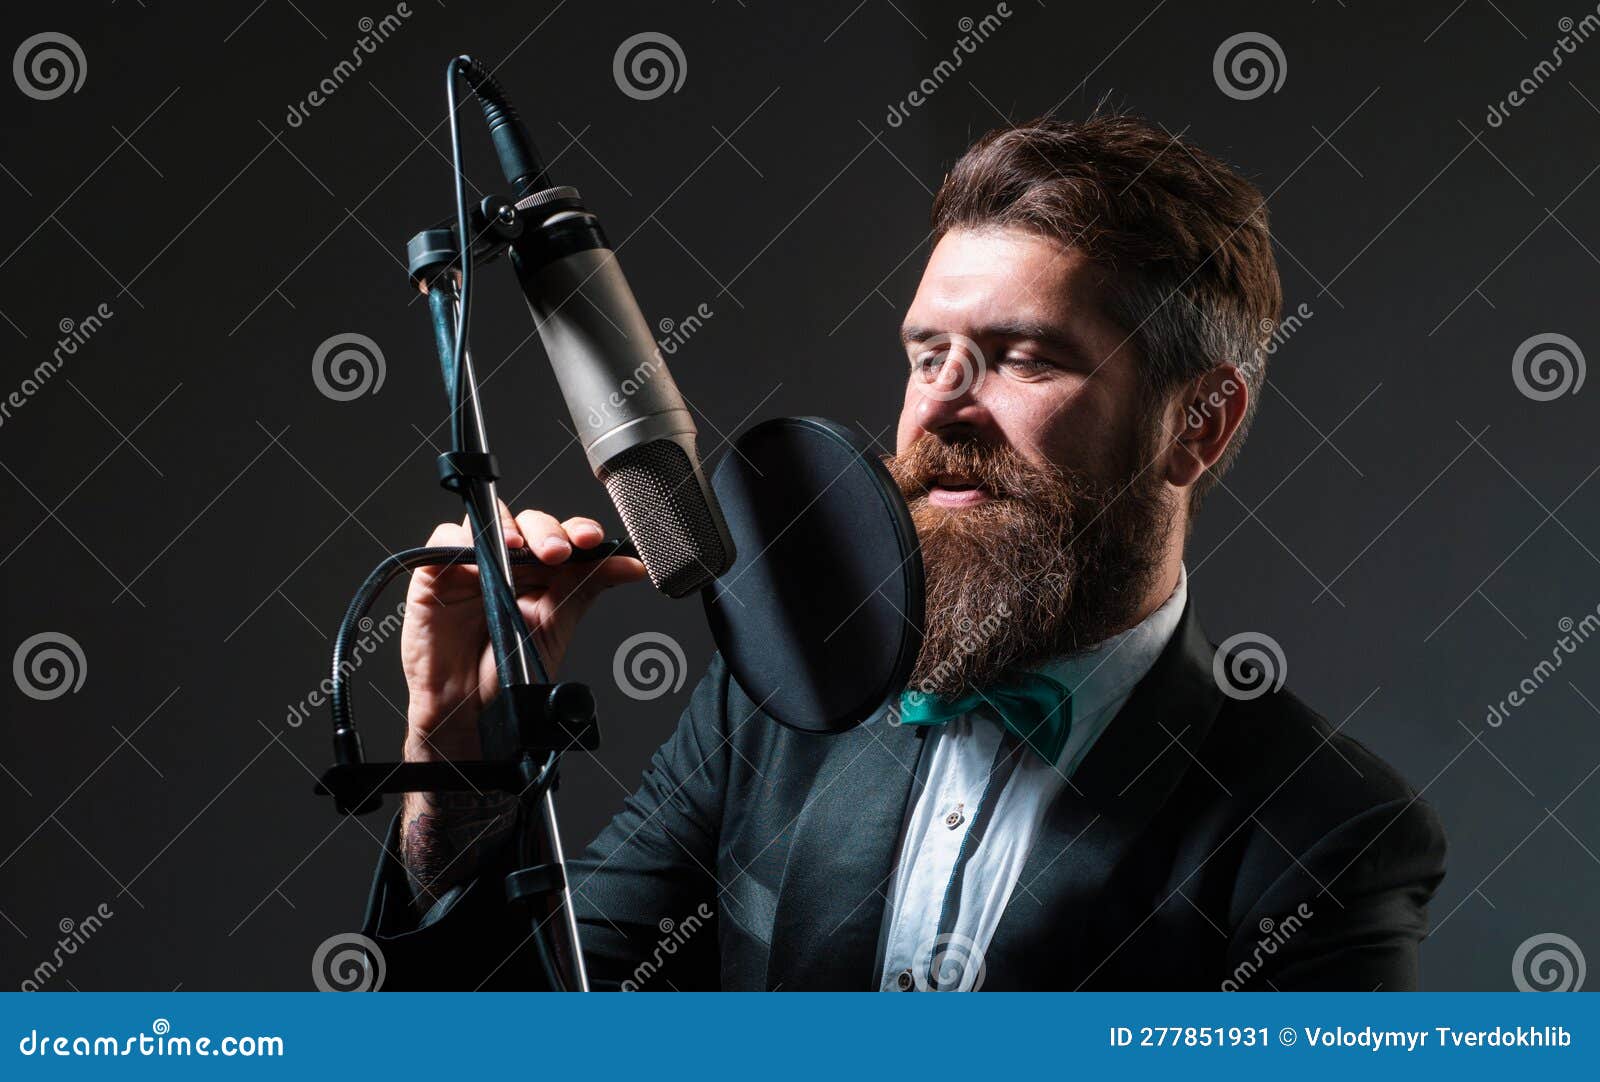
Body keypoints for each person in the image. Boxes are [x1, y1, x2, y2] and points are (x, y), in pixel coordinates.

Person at [359, 113, 1447, 991]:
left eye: (1021, 358)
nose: (941, 411)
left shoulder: (1324, 831)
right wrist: (458, 765)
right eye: (928, 355)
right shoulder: (767, 706)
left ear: (1195, 425)